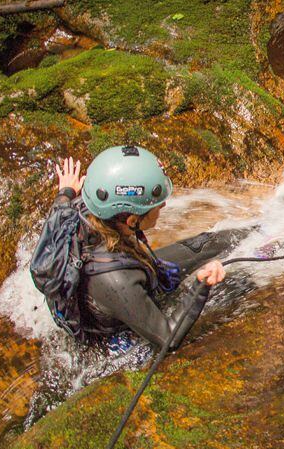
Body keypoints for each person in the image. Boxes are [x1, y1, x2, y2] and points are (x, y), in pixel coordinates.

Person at [47, 146, 248, 350]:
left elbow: (60, 210)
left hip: (130, 271)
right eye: (157, 205)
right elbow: (168, 339)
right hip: (119, 329)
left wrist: (66, 192)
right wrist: (200, 286)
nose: (163, 206)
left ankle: (267, 230)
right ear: (133, 220)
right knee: (240, 283)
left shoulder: (81, 206)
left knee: (211, 242)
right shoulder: (116, 281)